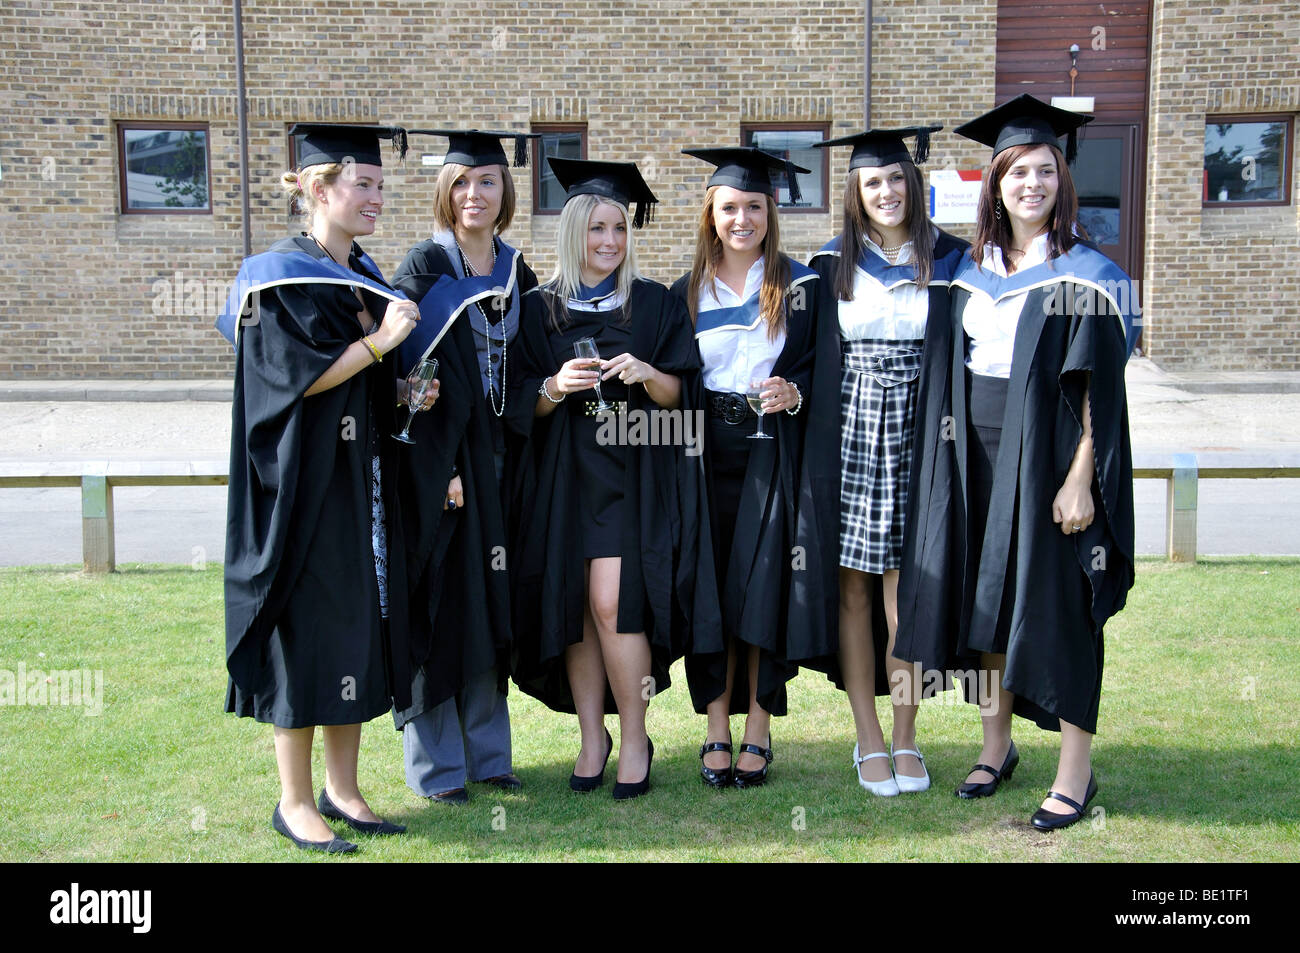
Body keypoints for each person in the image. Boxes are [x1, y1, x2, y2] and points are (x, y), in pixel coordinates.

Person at [894, 95, 1136, 830]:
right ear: (995, 185)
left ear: (1062, 180)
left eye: (1044, 171)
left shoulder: (1091, 274)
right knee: (985, 601)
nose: (1031, 184)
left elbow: (1100, 391)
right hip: (974, 453)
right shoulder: (969, 268)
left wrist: (1081, 477)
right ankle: (995, 745)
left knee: (1060, 605)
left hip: (1051, 457)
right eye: (1016, 172)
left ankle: (1075, 770)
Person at [218, 123, 425, 853]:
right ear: (316, 187)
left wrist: (402, 389)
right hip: (302, 489)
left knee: (355, 626)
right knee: (303, 633)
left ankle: (344, 789)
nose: (376, 198)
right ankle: (295, 800)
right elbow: (296, 381)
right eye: (362, 184)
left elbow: (359, 383)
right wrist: (380, 343)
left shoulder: (362, 275)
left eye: (379, 185)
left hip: (360, 484)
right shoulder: (276, 278)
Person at [509, 157, 713, 799]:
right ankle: (591, 739)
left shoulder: (652, 302)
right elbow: (517, 402)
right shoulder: (538, 309)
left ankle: (634, 737)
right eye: (597, 228)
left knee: (611, 602)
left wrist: (648, 374)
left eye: (619, 228)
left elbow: (683, 395)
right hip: (564, 476)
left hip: (632, 472)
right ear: (575, 231)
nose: (610, 240)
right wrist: (553, 387)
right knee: (574, 601)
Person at [809, 127, 970, 796]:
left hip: (924, 426)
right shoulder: (829, 263)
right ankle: (867, 736)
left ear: (913, 182)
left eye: (896, 177)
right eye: (872, 181)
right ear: (855, 190)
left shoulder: (952, 259)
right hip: (852, 427)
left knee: (908, 589)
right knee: (853, 587)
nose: (886, 191)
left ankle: (906, 735)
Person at [671, 147, 836, 788]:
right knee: (711, 589)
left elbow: (825, 369)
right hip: (706, 454)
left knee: (766, 586)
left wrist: (797, 392)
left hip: (773, 451)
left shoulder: (802, 288)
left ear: (771, 213)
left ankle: (759, 728)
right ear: (710, 215)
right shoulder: (686, 293)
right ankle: (716, 725)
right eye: (730, 208)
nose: (742, 220)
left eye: (755, 207)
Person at [389, 129, 541, 806]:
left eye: (486, 181)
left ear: (505, 191)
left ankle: (490, 757)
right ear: (444, 192)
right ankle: (438, 768)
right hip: (444, 468)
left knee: (488, 604)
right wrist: (441, 465)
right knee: (441, 605)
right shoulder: (424, 267)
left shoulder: (515, 270)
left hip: (501, 462)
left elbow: (531, 364)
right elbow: (410, 376)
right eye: (460, 183)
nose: (473, 194)